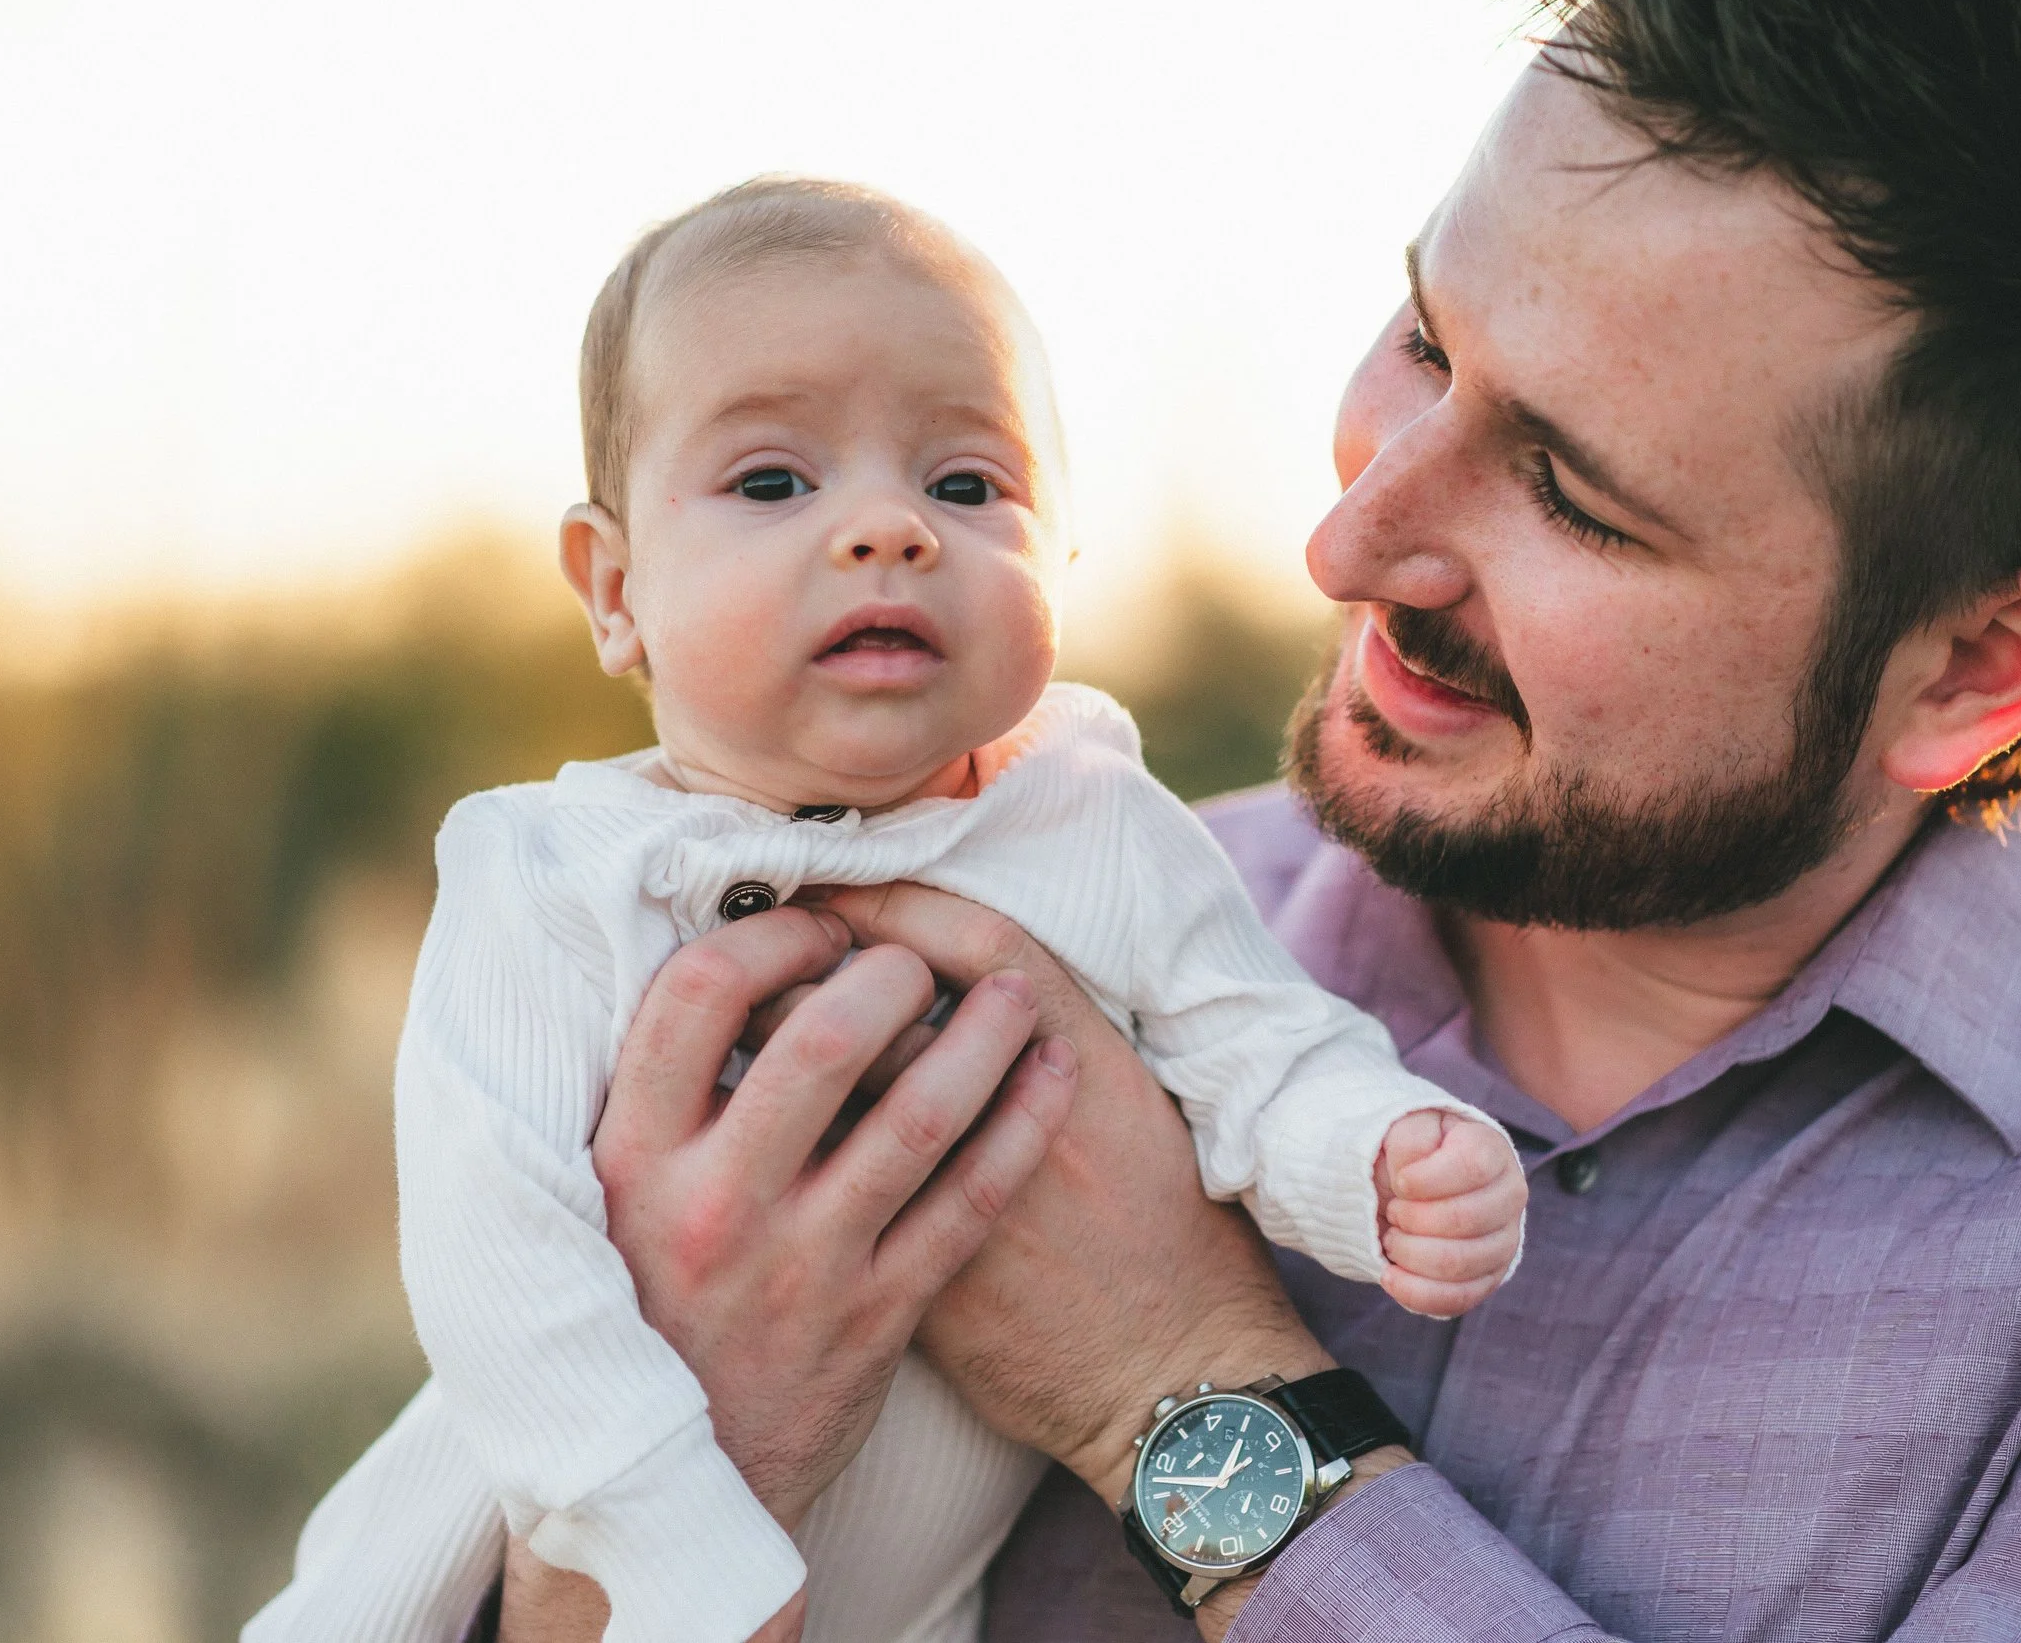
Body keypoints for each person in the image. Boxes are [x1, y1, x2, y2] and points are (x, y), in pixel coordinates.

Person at [495, 0, 2021, 1639]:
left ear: (1980, 667)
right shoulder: (1051, 903)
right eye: (1429, 346)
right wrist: (671, 1465)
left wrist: (1177, 1392)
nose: (1350, 538)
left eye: (1578, 497)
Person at [245, 178, 1525, 1643]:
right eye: (775, 481)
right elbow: (492, 1251)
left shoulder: (1091, 817)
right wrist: (671, 1525)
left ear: (1062, 564)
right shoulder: (545, 874)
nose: (888, 529)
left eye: (967, 485)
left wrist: (1369, 1154)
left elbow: (1257, 1039)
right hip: (568, 1528)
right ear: (614, 591)